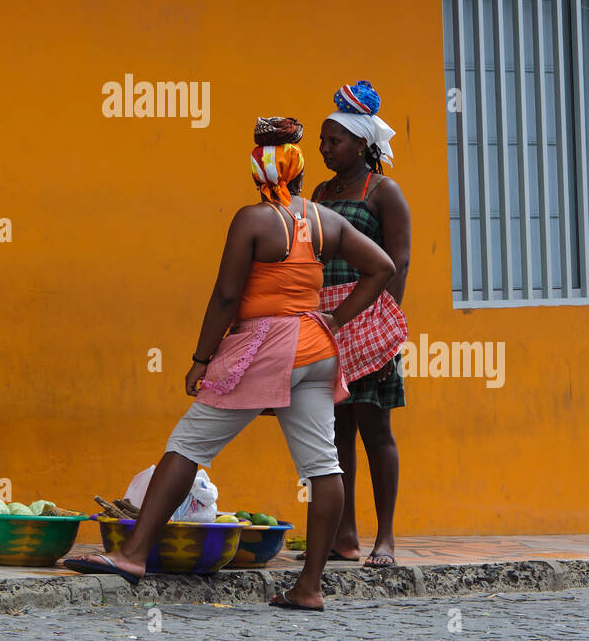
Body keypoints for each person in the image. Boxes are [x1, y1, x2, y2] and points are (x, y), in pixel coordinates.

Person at [63, 117, 395, 610]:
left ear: (258, 175)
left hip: (262, 349)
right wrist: (334, 319)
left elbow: (225, 296)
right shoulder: (325, 220)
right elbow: (382, 268)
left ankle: (133, 555)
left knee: (187, 445)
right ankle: (309, 587)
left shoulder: (253, 220)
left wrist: (201, 357)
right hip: (317, 349)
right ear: (299, 174)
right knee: (323, 466)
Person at [313, 81, 411, 568]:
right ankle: (344, 535)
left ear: (360, 143)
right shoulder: (320, 193)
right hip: (326, 321)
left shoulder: (384, 192)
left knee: (376, 429)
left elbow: (400, 262)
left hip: (368, 323)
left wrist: (382, 329)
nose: (325, 148)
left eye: (334, 141)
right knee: (336, 432)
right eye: (323, 141)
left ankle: (385, 539)